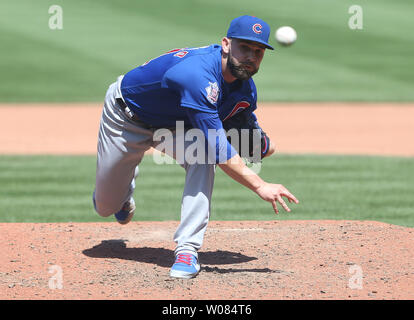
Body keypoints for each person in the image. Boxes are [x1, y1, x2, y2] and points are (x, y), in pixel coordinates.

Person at [92, 15, 299, 279]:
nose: (250, 56)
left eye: (258, 52)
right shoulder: (197, 74)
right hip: (126, 117)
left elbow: (242, 119)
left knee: (201, 156)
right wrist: (260, 185)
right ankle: (122, 191)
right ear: (226, 44)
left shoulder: (245, 88)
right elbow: (218, 146)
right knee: (106, 207)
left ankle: (187, 250)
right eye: (244, 48)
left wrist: (260, 144)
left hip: (175, 127)